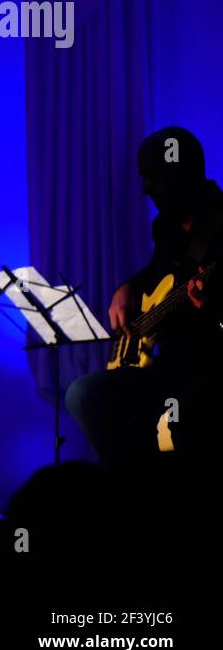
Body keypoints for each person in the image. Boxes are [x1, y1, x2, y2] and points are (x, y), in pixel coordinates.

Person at [65, 127, 223, 472]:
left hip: (209, 368)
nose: (145, 188)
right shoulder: (165, 227)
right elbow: (155, 275)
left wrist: (215, 311)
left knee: (182, 418)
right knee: (83, 393)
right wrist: (127, 287)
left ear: (184, 176)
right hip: (166, 367)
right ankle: (135, 490)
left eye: (155, 179)